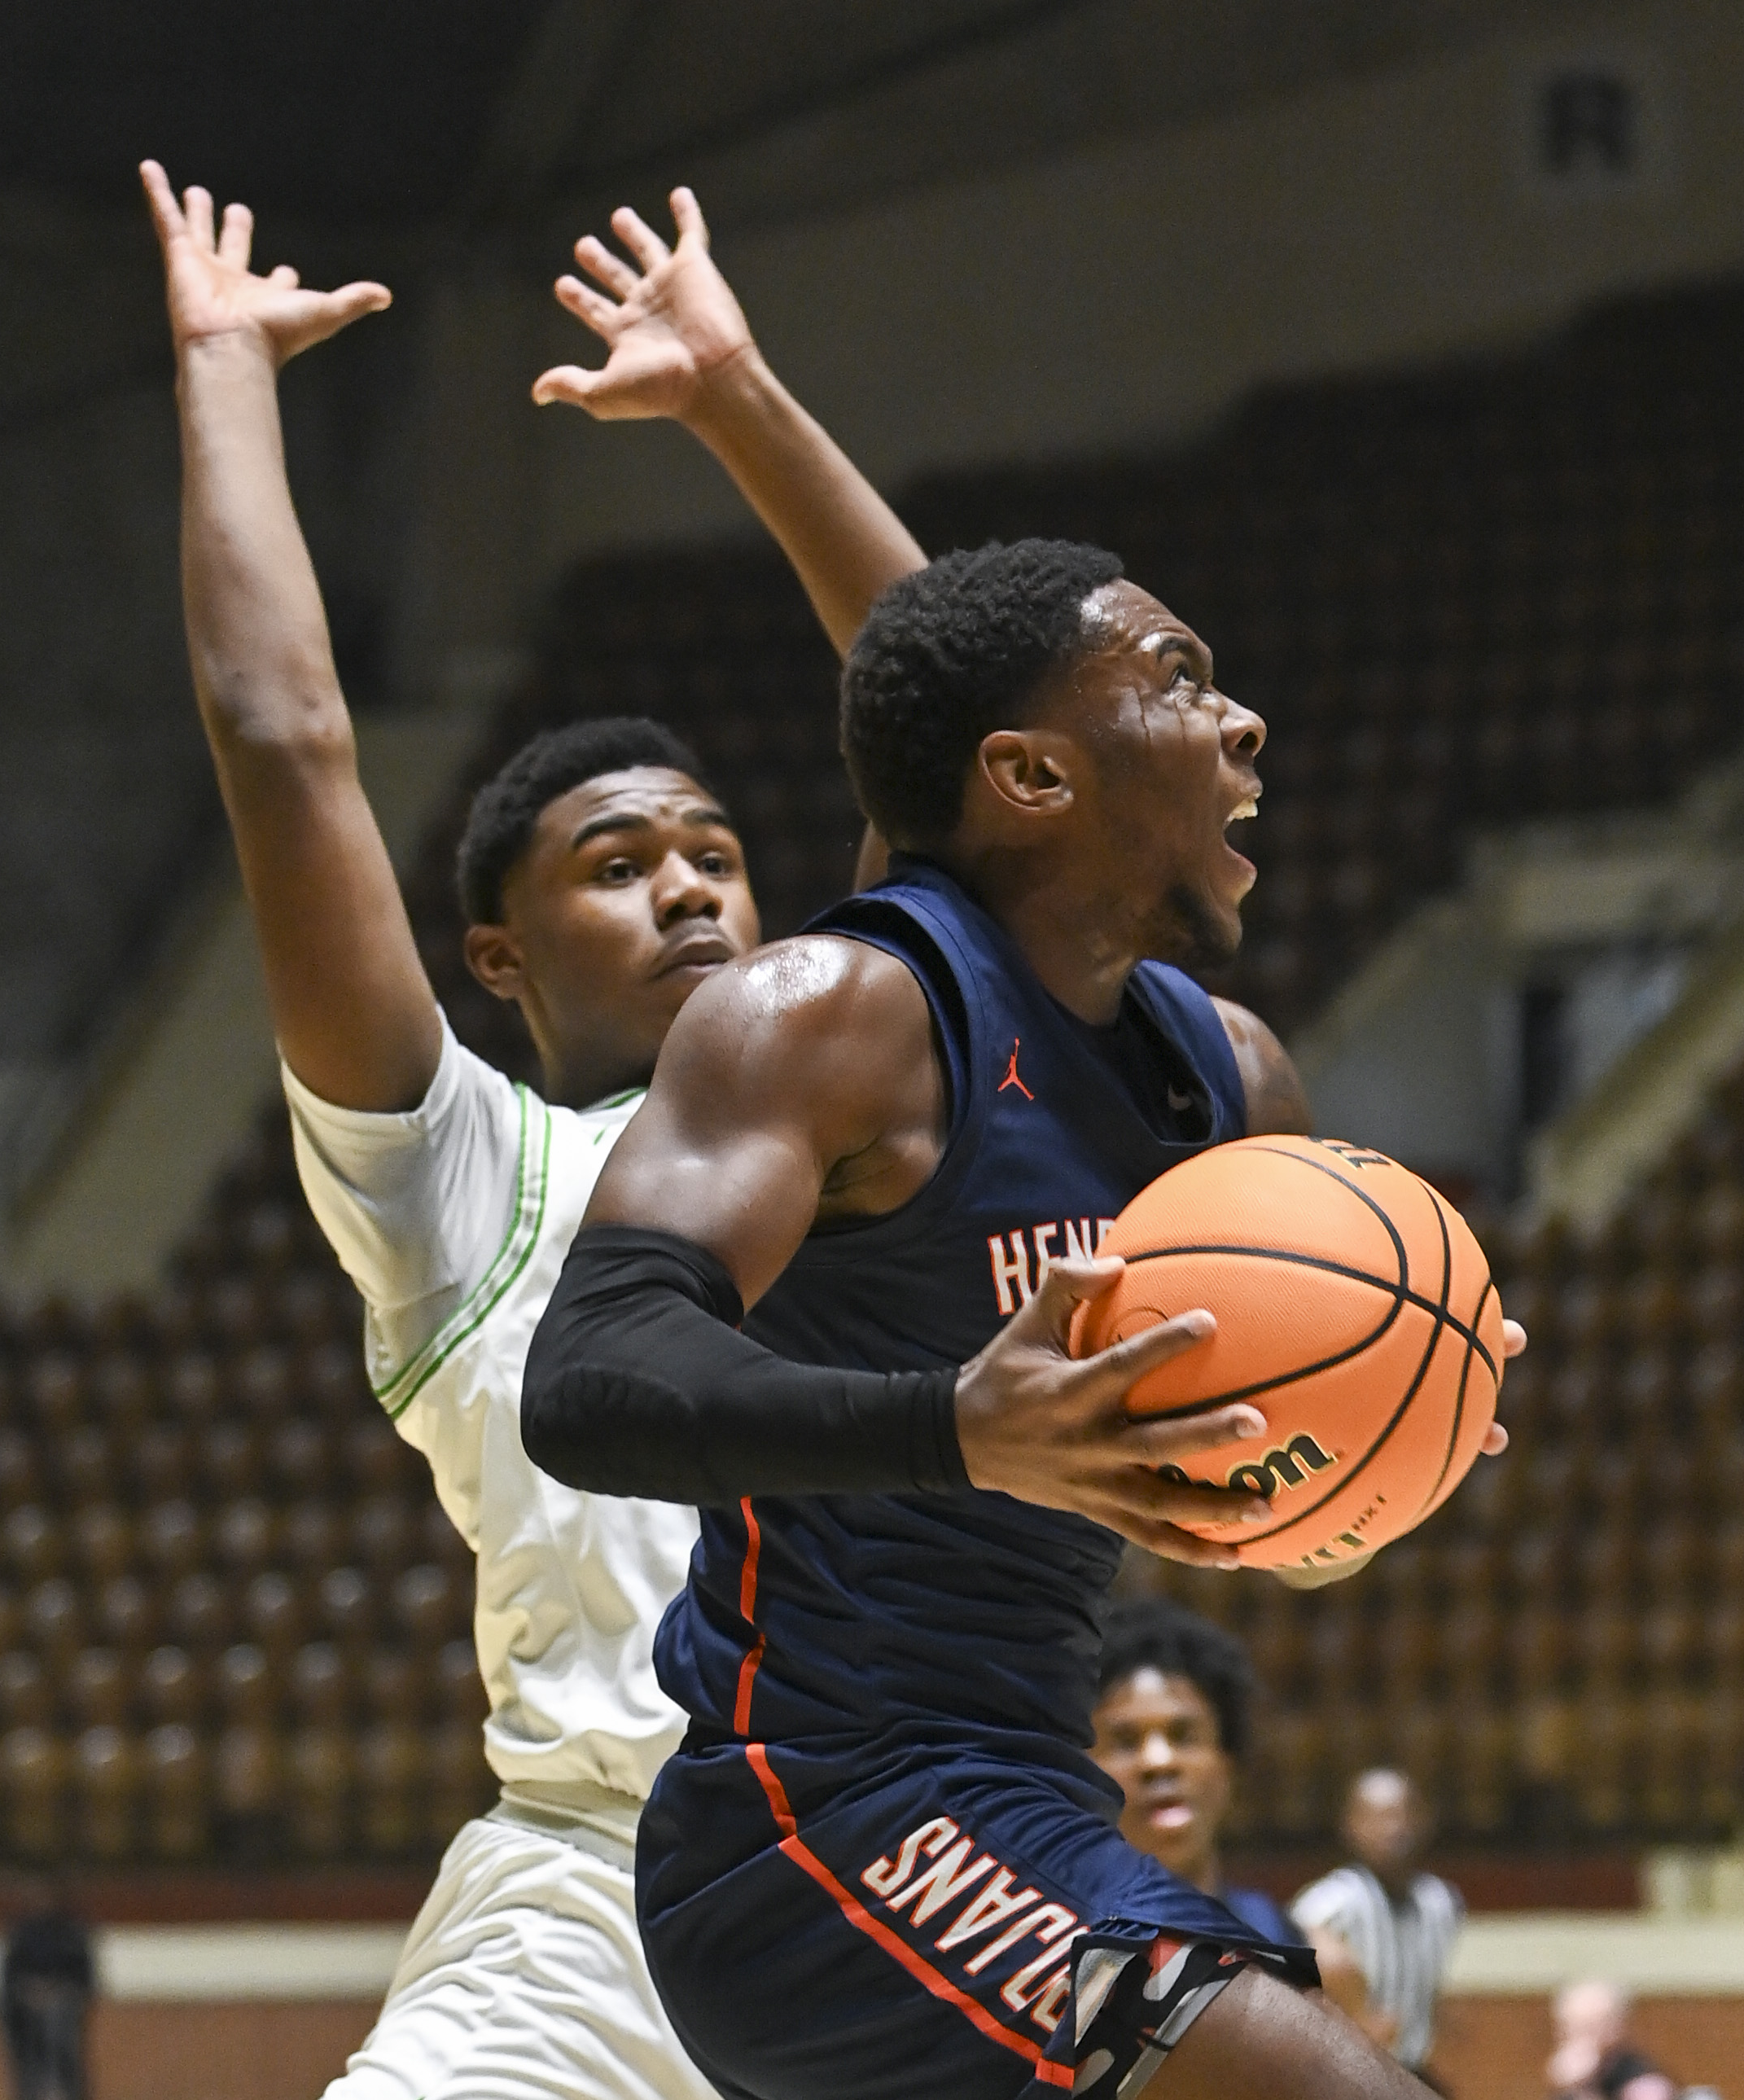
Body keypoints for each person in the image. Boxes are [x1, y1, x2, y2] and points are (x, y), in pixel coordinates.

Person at [521, 540, 1519, 2098]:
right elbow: (587, 1375)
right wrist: (953, 1427)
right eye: (1180, 680)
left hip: (1033, 1795)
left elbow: (1272, 1511)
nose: (1243, 721)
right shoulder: (837, 1016)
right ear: (1033, 776)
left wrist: (1386, 1436)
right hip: (812, 1824)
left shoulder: (1229, 1079)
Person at [142, 160, 927, 2100]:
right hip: (600, 1905)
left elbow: (966, 741)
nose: (688, 889)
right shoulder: (466, 1175)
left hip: (920, 1868)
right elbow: (281, 735)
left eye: (720, 854)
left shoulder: (883, 1113)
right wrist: (227, 368)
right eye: (617, 862)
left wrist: (740, 396)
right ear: (499, 954)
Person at [1091, 1597, 1299, 1944]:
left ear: (1226, 1762)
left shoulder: (1320, 1959)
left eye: (1183, 1736)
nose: (1159, 1762)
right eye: (1126, 1741)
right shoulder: (1043, 1957)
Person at [1289, 1769, 1465, 2080]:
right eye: (1379, 1817)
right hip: (1342, 2073)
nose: (1395, 1828)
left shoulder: (1441, 1902)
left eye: (1404, 1814)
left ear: (1425, 1821)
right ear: (1351, 1826)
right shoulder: (1327, 1904)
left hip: (1412, 2069)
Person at [0, 1890, 94, 2100]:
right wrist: (29, 1989)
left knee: (57, 2018)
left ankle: (60, 2087)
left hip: (64, 1996)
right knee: (20, 2024)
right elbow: (10, 1973)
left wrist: (56, 1988)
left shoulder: (72, 1932)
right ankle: (33, 2089)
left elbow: (83, 1974)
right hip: (25, 1999)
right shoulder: (20, 1932)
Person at [1545, 1980, 1673, 2100]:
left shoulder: (1645, 2084)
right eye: (1569, 2027)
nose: (1577, 2037)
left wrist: (1583, 2089)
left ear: (1615, 2028)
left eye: (1588, 2027)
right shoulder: (1567, 2081)